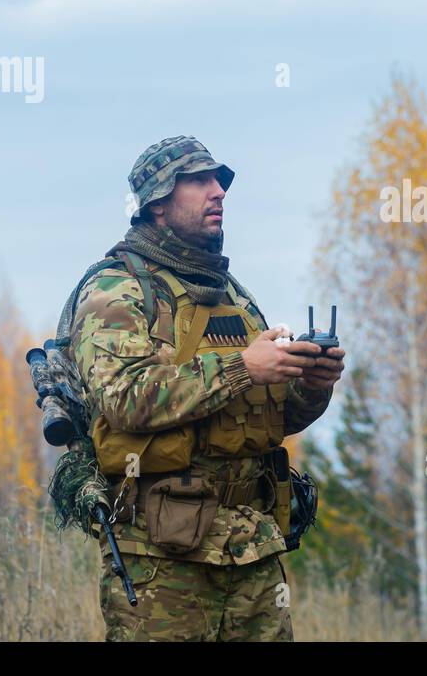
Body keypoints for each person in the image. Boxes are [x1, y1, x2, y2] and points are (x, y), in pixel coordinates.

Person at [70, 135, 344, 641]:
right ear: (157, 203)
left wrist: (311, 385)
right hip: (161, 561)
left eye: (219, 180)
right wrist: (242, 367)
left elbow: (270, 421)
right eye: (197, 181)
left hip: (253, 552)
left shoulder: (233, 294)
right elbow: (123, 398)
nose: (218, 191)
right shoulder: (117, 289)